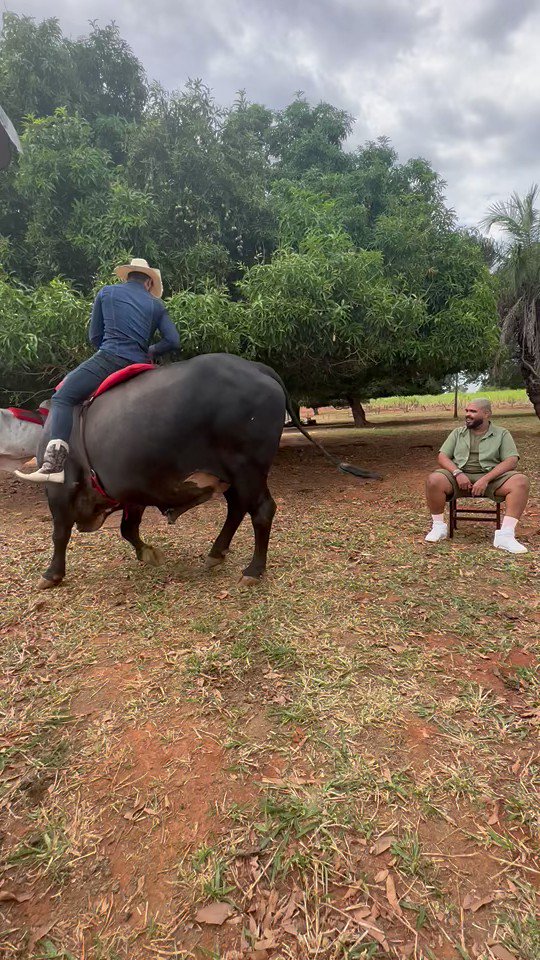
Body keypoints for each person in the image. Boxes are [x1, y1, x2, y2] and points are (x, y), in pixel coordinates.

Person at [17, 258, 180, 485]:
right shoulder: (156, 305)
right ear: (149, 283)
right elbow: (173, 341)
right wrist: (151, 349)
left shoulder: (107, 292)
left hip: (110, 359)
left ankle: (53, 466)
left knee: (62, 397)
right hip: (142, 364)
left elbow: (95, 336)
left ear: (129, 276)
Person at [424, 398, 530, 554]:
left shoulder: (502, 434)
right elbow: (442, 457)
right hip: (459, 478)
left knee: (521, 482)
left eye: (472, 411)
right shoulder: (457, 433)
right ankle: (439, 527)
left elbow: (511, 460)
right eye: (466, 411)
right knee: (434, 480)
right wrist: (457, 472)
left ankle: (506, 535)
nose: (468, 414)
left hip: (491, 479)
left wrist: (486, 479)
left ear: (487, 414)